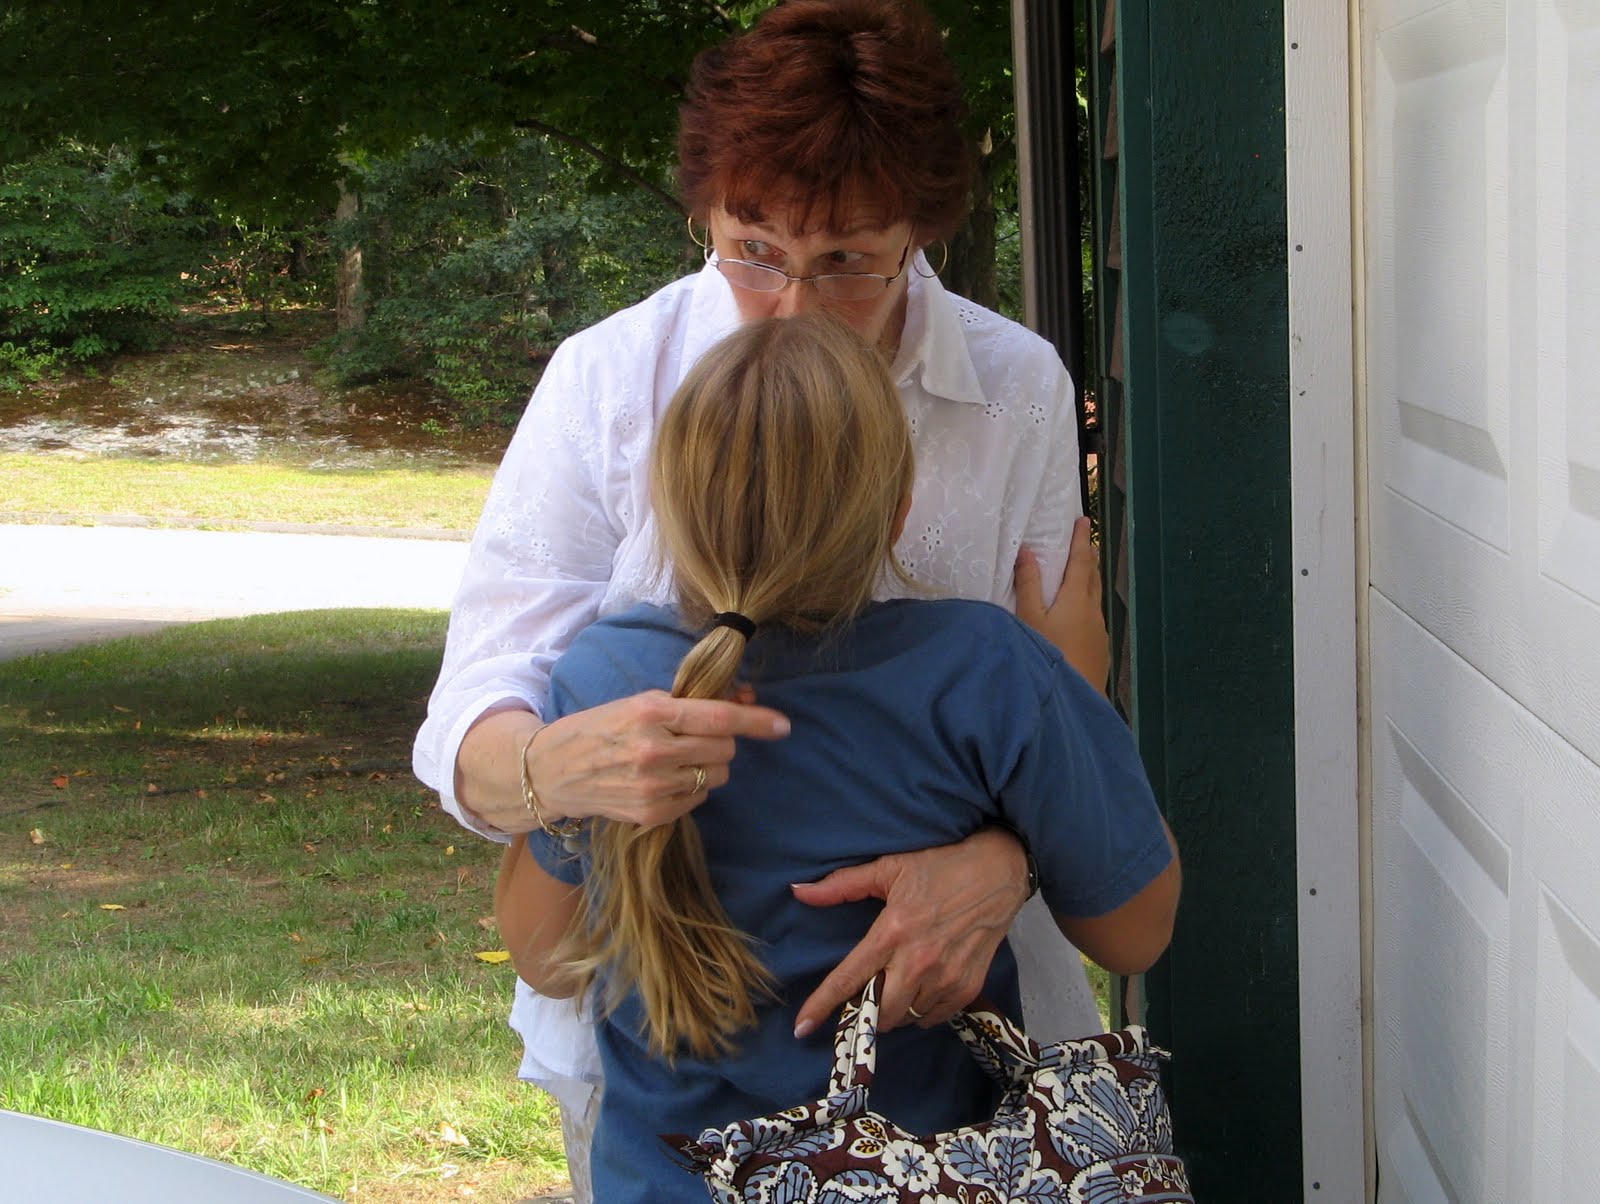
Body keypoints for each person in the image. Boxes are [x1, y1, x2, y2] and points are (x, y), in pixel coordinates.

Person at [414, 1, 1111, 1197]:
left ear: (918, 232)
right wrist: (551, 770)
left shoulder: (1014, 389)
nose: (790, 304)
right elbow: (474, 712)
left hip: (951, 1042)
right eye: (752, 247)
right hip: (668, 1053)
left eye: (845, 261)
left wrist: (1007, 860)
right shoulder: (610, 380)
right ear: (708, 215)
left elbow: (1059, 697)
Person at [496, 313, 1180, 1202]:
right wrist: (1077, 693)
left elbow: (546, 957)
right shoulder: (988, 669)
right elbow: (1134, 933)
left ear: (667, 506)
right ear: (898, 513)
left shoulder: (607, 680)